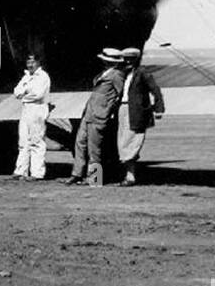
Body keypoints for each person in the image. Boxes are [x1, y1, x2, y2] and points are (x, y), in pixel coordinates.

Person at [62, 48, 125, 186]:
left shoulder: (116, 75)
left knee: (94, 149)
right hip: (89, 113)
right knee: (80, 143)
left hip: (99, 116)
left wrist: (107, 110)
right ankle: (77, 174)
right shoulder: (104, 73)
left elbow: (120, 95)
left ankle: (95, 179)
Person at [117, 47, 164, 186]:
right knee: (124, 141)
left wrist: (159, 108)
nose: (127, 61)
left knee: (131, 142)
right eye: (125, 59)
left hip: (136, 111)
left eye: (131, 59)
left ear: (136, 59)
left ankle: (130, 176)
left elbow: (155, 90)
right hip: (124, 109)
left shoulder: (142, 73)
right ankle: (129, 174)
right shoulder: (124, 74)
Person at [11, 52, 52, 180]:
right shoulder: (26, 76)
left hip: (38, 108)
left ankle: (37, 173)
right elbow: (16, 92)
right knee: (23, 140)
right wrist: (25, 93)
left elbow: (38, 94)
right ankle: (20, 171)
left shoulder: (43, 76)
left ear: (38, 63)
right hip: (26, 109)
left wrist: (24, 94)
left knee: (36, 140)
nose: (30, 65)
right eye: (28, 62)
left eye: (33, 62)